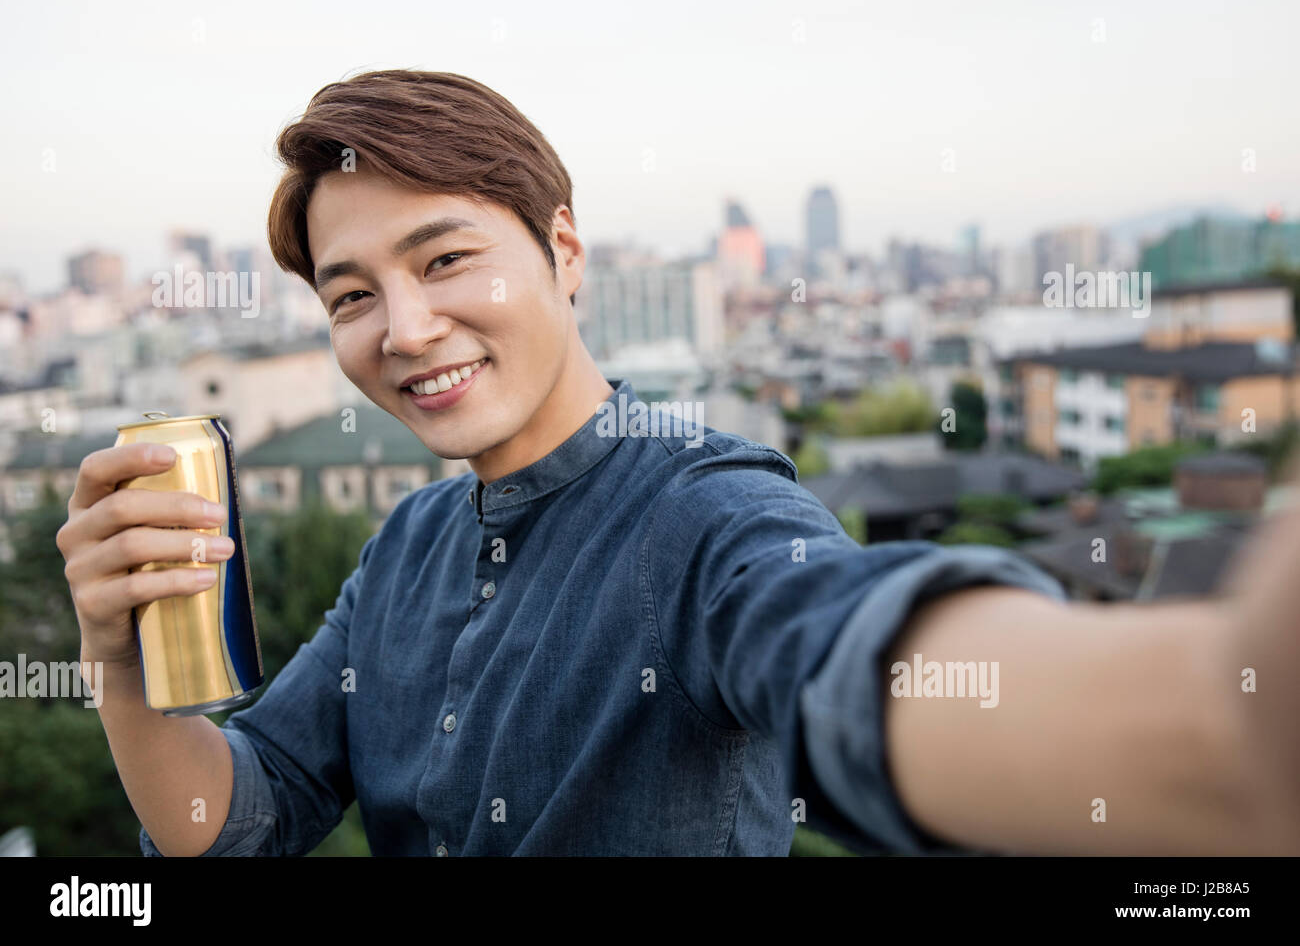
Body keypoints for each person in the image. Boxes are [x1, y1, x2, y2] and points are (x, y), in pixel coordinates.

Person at [57, 70, 1300, 856]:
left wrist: (1208, 723)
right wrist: (120, 666)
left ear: (566, 252)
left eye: (444, 261)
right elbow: (244, 817)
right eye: (351, 295)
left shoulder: (703, 513)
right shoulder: (409, 547)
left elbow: (841, 648)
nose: (403, 328)